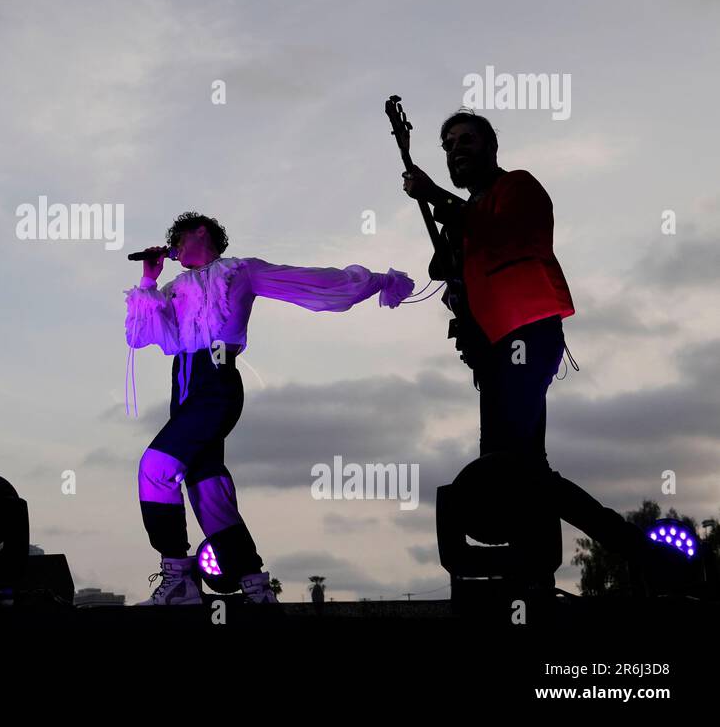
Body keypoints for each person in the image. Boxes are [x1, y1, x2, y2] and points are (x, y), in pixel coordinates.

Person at [402, 110, 649, 584]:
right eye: (449, 143)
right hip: (497, 347)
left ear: (491, 146)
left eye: (466, 139)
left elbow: (506, 235)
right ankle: (550, 570)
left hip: (527, 335)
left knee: (509, 466)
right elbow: (453, 269)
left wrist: (435, 196)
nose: (456, 148)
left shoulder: (517, 188)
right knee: (522, 469)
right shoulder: (470, 214)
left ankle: (633, 553)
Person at [123, 212, 416, 605]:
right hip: (183, 390)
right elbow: (139, 334)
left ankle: (178, 577)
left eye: (177, 235)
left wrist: (381, 281)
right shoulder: (174, 288)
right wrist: (149, 278)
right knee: (208, 490)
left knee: (155, 468)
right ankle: (257, 588)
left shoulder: (239, 271)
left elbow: (310, 281)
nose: (173, 244)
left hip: (216, 383)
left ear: (200, 231)